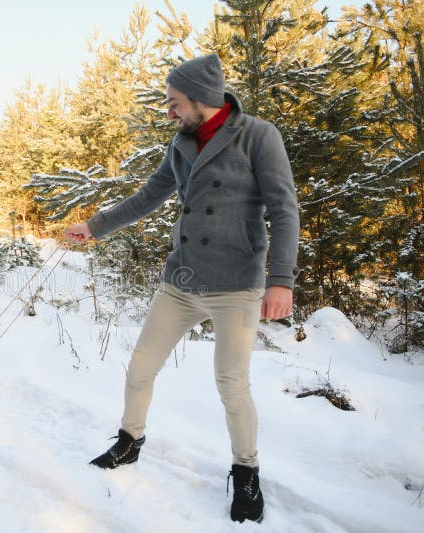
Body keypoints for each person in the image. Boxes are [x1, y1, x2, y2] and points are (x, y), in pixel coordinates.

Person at [64, 54, 299, 523]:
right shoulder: (181, 144)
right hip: (183, 279)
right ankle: (130, 442)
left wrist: (281, 280)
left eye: (174, 102)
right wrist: (94, 226)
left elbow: (284, 209)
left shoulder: (257, 136)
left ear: (201, 99)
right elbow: (149, 196)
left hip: (236, 285)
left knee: (231, 384)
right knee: (140, 367)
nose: (169, 111)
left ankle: (247, 472)